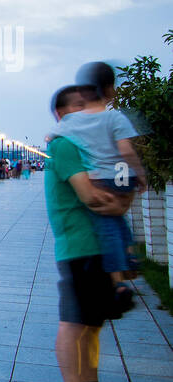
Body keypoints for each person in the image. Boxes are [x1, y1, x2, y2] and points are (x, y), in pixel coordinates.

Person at [45, 85, 138, 382]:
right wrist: (118, 203)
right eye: (79, 106)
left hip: (97, 246)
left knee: (92, 325)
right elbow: (90, 197)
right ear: (61, 114)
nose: (88, 112)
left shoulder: (85, 147)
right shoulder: (64, 145)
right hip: (78, 246)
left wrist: (118, 201)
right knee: (74, 323)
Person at [62, 61, 147, 304]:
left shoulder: (73, 121)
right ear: (110, 89)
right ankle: (129, 253)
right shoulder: (115, 118)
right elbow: (126, 150)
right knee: (118, 217)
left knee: (106, 226)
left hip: (97, 179)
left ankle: (117, 281)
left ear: (82, 92)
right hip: (122, 177)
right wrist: (140, 173)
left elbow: (55, 137)